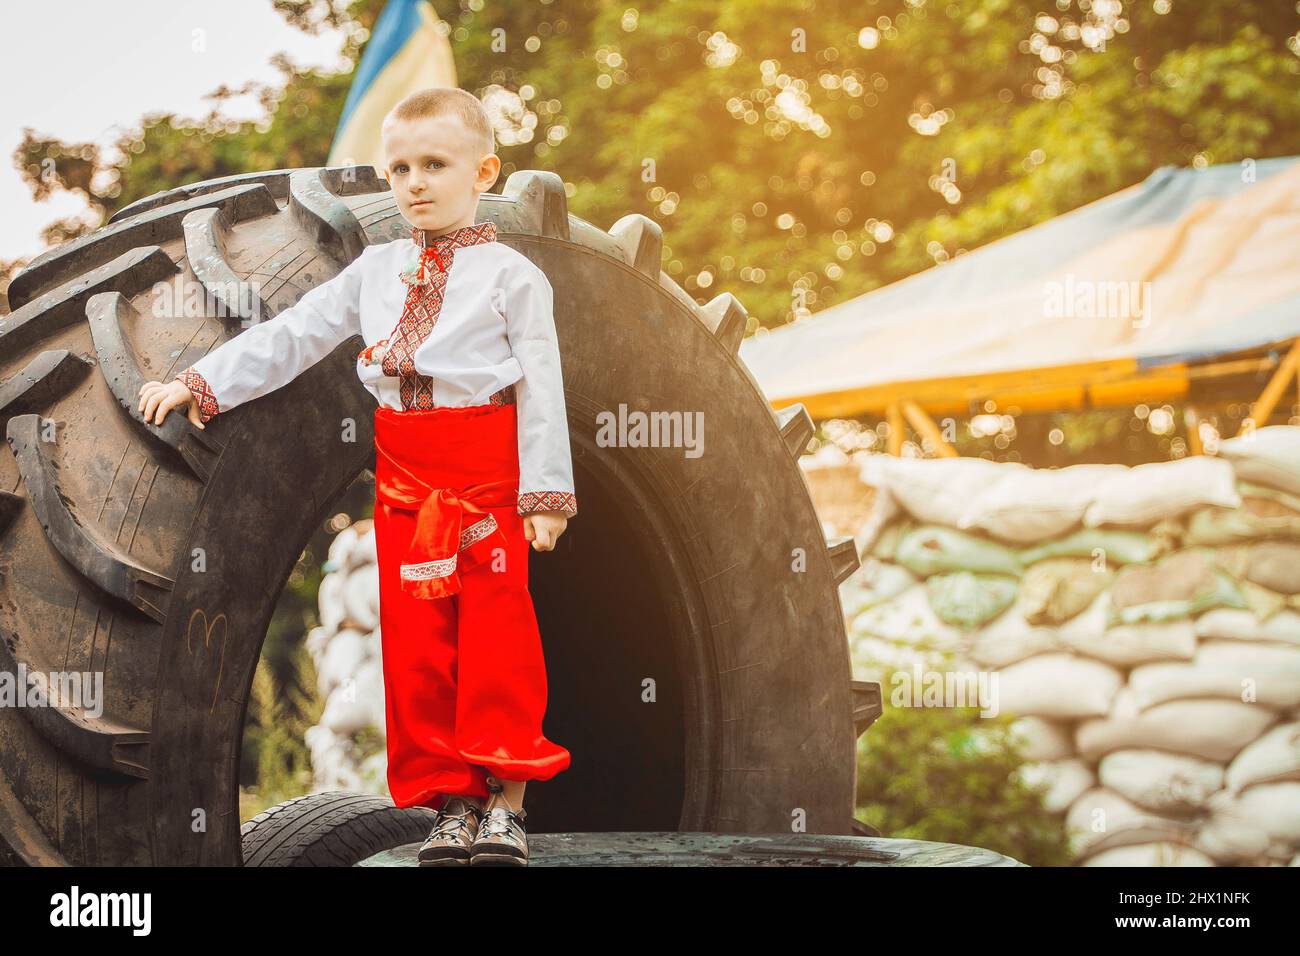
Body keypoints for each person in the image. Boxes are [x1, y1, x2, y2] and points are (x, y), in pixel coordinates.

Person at [137, 87, 576, 867]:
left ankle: (507, 801)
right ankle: (452, 803)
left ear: (484, 170)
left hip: (485, 480)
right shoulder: (374, 271)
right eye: (399, 167)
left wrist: (544, 496)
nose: (414, 182)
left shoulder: (513, 277)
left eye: (434, 164)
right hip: (405, 479)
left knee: (496, 645)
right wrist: (201, 383)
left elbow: (541, 386)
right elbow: (294, 336)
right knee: (418, 649)